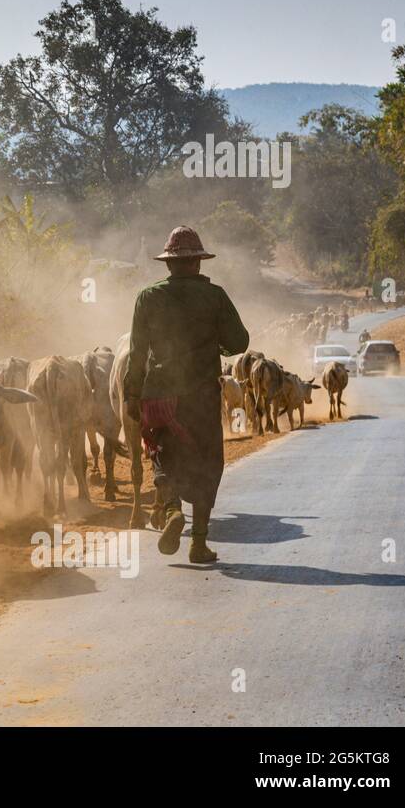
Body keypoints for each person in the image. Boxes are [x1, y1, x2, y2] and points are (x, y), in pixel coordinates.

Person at [124, 227, 249, 563]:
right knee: (208, 462)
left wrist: (130, 396)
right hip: (201, 396)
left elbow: (136, 354)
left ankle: (172, 510)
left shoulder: (147, 297)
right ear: (196, 262)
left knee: (164, 455)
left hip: (158, 396)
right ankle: (199, 543)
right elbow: (239, 342)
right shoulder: (215, 296)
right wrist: (216, 341)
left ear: (168, 265)